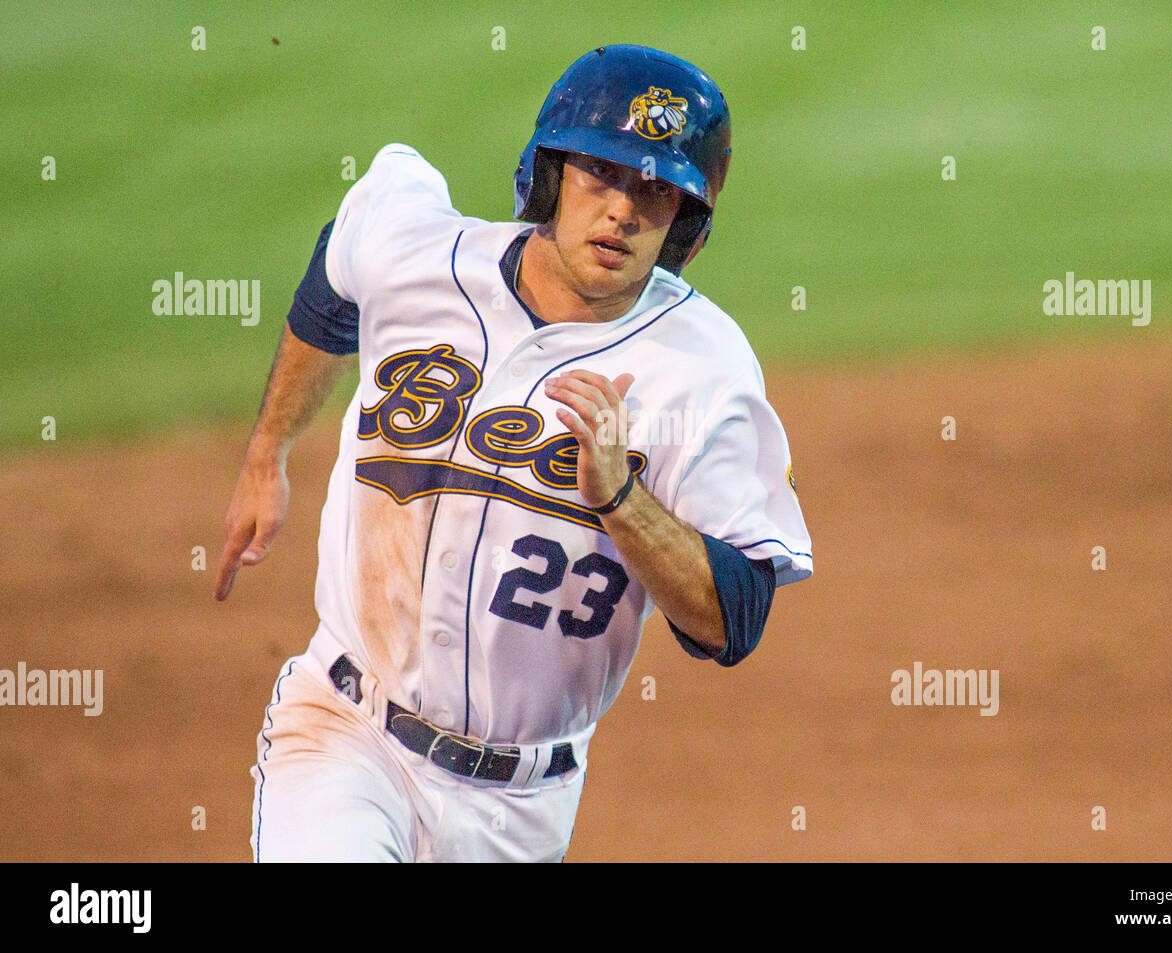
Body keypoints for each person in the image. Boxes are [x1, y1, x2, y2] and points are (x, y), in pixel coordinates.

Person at [216, 44, 813, 862]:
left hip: (521, 811)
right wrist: (267, 452)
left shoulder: (703, 372)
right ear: (548, 175)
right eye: (603, 174)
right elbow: (336, 262)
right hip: (346, 732)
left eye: (656, 191)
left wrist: (622, 501)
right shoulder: (424, 256)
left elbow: (735, 617)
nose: (623, 212)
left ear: (686, 224)